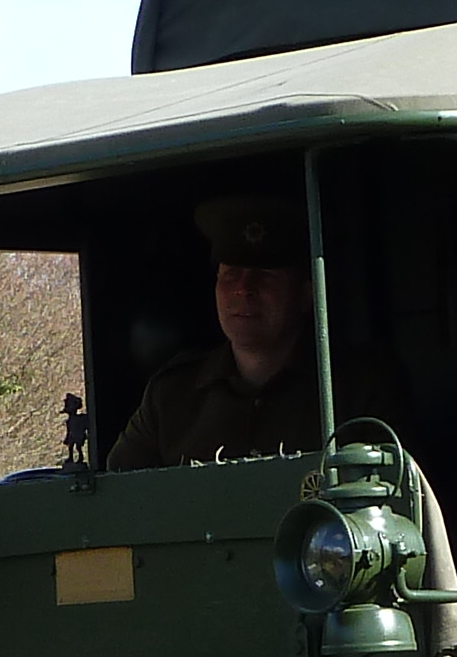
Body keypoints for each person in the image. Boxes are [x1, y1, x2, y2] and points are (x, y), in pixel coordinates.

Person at [105, 193, 407, 468]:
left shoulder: (358, 391)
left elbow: (403, 501)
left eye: (265, 277)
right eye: (231, 275)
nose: (244, 290)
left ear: (306, 294)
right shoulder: (171, 397)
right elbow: (118, 500)